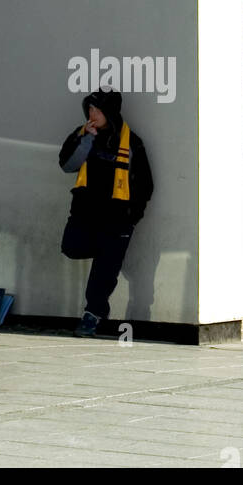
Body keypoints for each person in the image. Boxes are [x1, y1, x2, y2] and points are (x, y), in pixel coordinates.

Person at [59, 87, 153, 337]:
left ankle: (93, 314)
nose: (92, 113)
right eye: (90, 108)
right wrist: (86, 139)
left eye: (97, 109)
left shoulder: (132, 142)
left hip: (117, 219)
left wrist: (132, 217)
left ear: (109, 112)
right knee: (71, 246)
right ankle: (106, 254)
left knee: (104, 271)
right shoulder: (82, 135)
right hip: (85, 214)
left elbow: (145, 184)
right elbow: (67, 165)